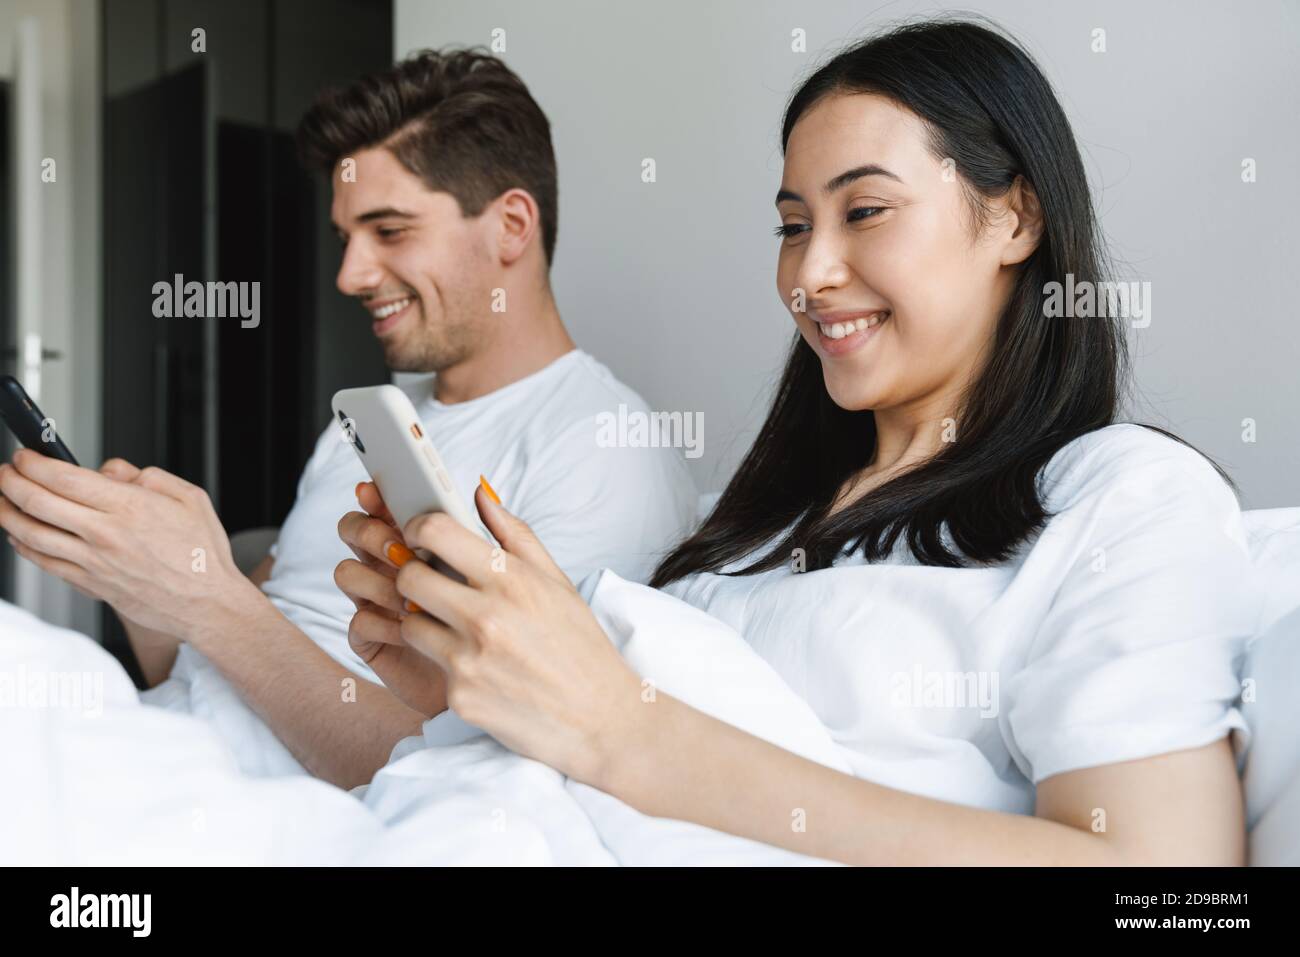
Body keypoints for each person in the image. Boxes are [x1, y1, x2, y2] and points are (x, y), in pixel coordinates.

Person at [337, 20, 1256, 865]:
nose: (809, 274)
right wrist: (485, 689)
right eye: (792, 226)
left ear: (1015, 217)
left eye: (864, 212)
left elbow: (1169, 895)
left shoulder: (1122, 500)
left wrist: (626, 732)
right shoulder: (766, 522)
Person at [0, 49, 697, 790]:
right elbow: (203, 666)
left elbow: (475, 779)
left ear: (512, 226)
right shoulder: (359, 429)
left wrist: (214, 598)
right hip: (159, 747)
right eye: (345, 238)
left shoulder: (604, 449)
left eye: (389, 231)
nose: (348, 275)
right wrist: (138, 580)